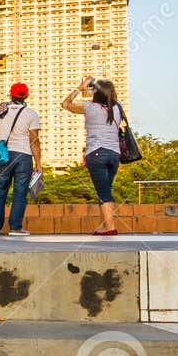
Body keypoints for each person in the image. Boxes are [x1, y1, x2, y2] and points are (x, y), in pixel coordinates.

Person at [63, 74, 125, 236]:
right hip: (114, 155)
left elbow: (65, 104)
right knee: (105, 190)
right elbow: (109, 98)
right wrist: (97, 88)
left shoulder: (89, 107)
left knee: (103, 192)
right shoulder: (118, 107)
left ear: (95, 93)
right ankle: (105, 226)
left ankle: (110, 227)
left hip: (97, 152)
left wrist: (80, 88)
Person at [0, 81, 42, 236]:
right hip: (23, 155)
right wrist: (38, 163)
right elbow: (34, 141)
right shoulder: (31, 114)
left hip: (3, 155)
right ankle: (15, 227)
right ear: (27, 95)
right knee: (20, 192)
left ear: (10, 95)